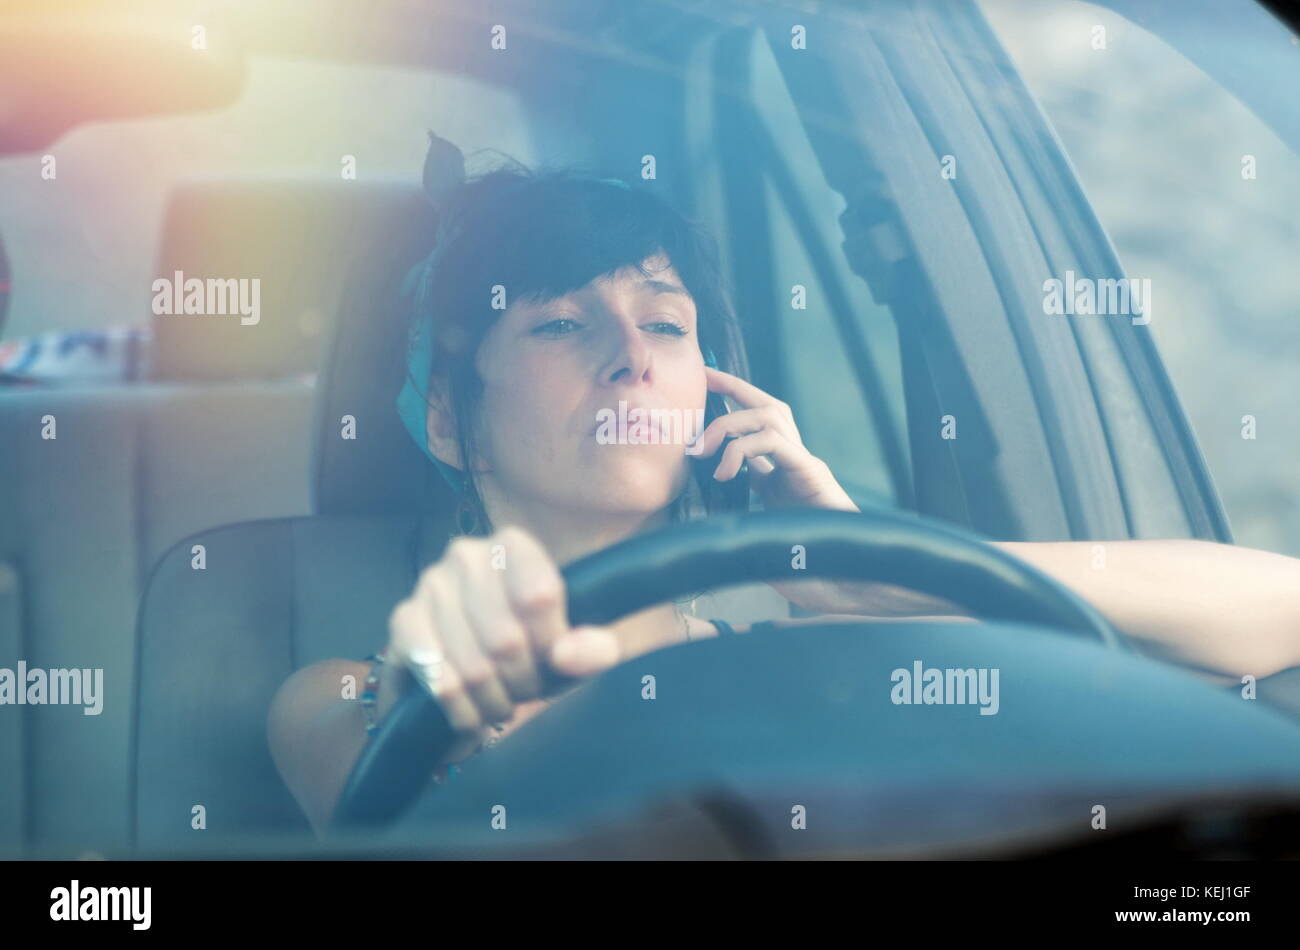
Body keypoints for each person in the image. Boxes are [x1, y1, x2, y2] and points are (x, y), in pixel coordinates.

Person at [268, 162, 1300, 836]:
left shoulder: (818, 663)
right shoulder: (344, 694)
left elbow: (1277, 611)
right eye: (559, 325)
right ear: (448, 418)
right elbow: (383, 811)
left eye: (665, 325)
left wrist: (871, 577)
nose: (630, 357)